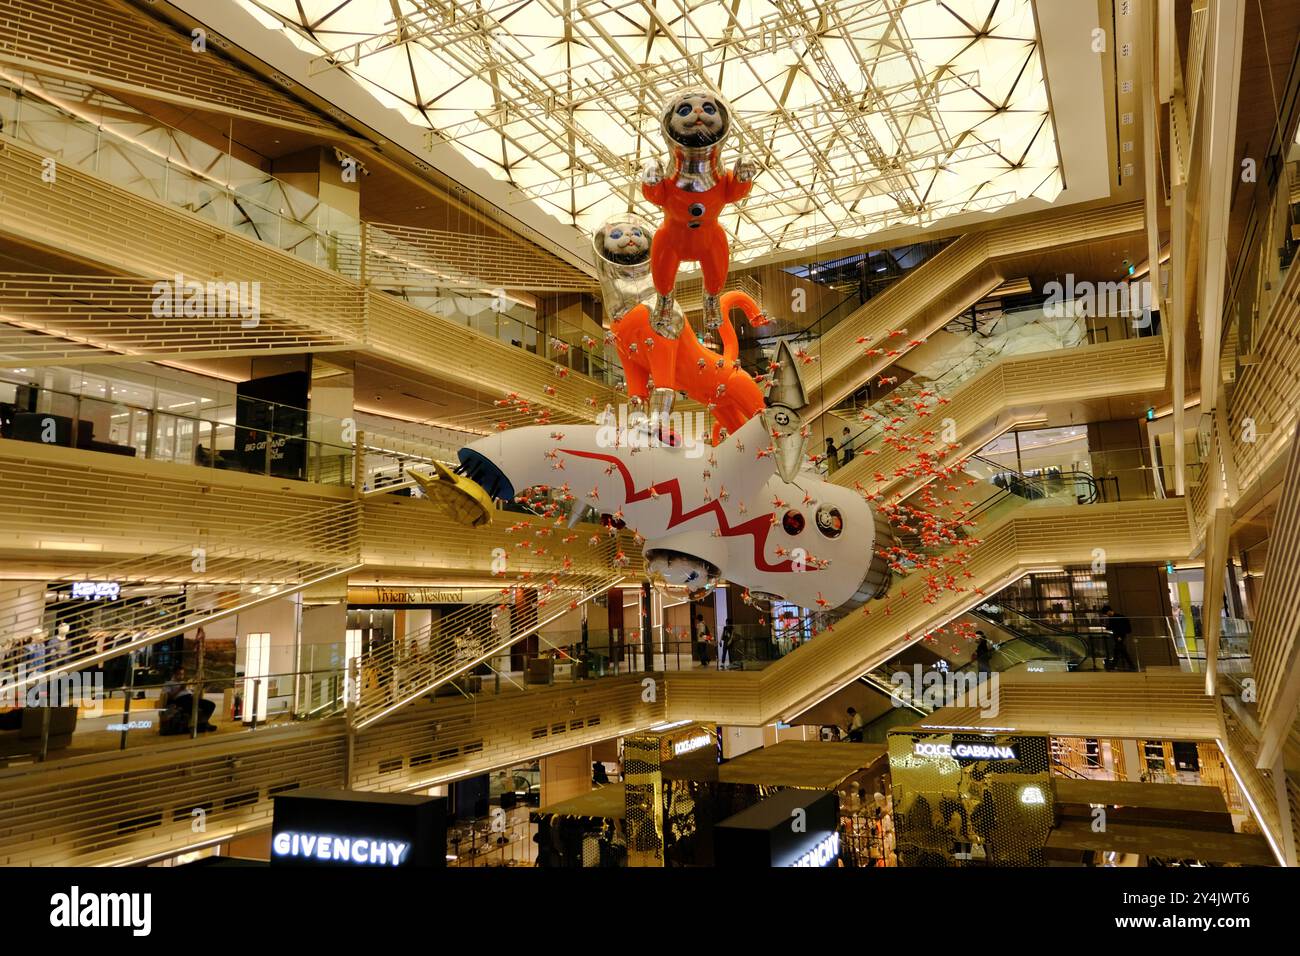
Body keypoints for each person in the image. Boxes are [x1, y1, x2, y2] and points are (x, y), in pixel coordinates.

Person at [160, 669, 216, 735]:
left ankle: (203, 722)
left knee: (211, 705)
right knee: (193, 709)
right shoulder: (169, 683)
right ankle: (203, 725)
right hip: (180, 700)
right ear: (174, 674)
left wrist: (201, 687)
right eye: (179, 674)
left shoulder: (184, 682)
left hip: (190, 697)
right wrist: (179, 689)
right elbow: (170, 697)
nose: (181, 676)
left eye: (182, 674)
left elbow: (192, 692)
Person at [1103, 605, 1135, 670]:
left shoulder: (1117, 618)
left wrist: (1120, 636)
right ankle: (1131, 665)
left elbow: (1120, 628)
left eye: (1106, 613)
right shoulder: (1114, 617)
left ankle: (1114, 665)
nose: (1106, 615)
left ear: (1109, 611)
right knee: (1120, 650)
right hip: (1118, 636)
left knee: (1118, 650)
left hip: (1119, 636)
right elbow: (1115, 627)